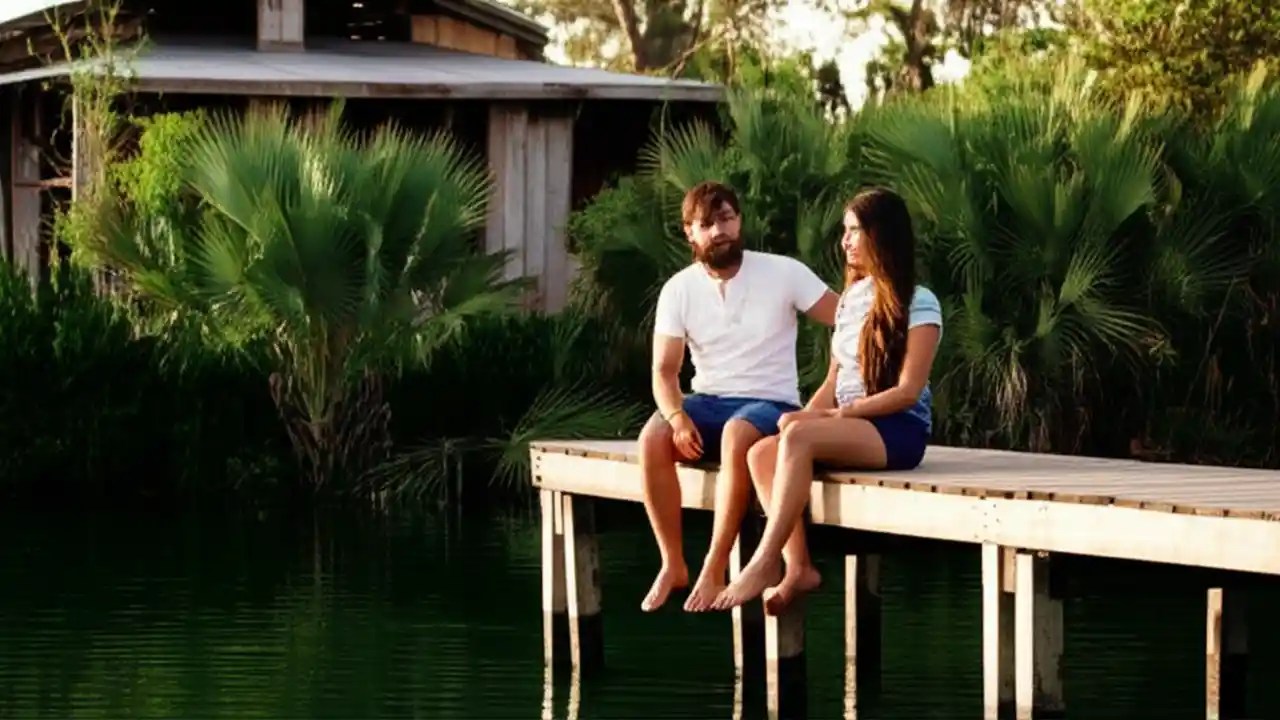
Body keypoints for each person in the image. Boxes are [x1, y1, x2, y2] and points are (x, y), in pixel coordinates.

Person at [710, 187, 943, 615]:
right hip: (850, 424)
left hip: (898, 430)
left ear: (881, 234)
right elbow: (835, 379)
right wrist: (805, 416)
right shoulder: (852, 299)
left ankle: (763, 560)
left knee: (797, 436)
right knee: (764, 451)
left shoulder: (919, 301)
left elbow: (908, 391)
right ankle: (797, 567)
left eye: (855, 231)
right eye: (844, 231)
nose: (845, 241)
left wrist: (836, 416)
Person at [638, 181, 840, 613]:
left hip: (771, 403)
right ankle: (673, 563)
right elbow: (663, 371)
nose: (720, 231)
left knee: (736, 433)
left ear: (740, 221)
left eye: (727, 218)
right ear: (689, 232)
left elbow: (850, 320)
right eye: (707, 224)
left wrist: (836, 381)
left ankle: (715, 568)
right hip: (707, 399)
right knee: (652, 436)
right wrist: (676, 417)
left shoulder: (783, 272)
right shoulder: (679, 289)